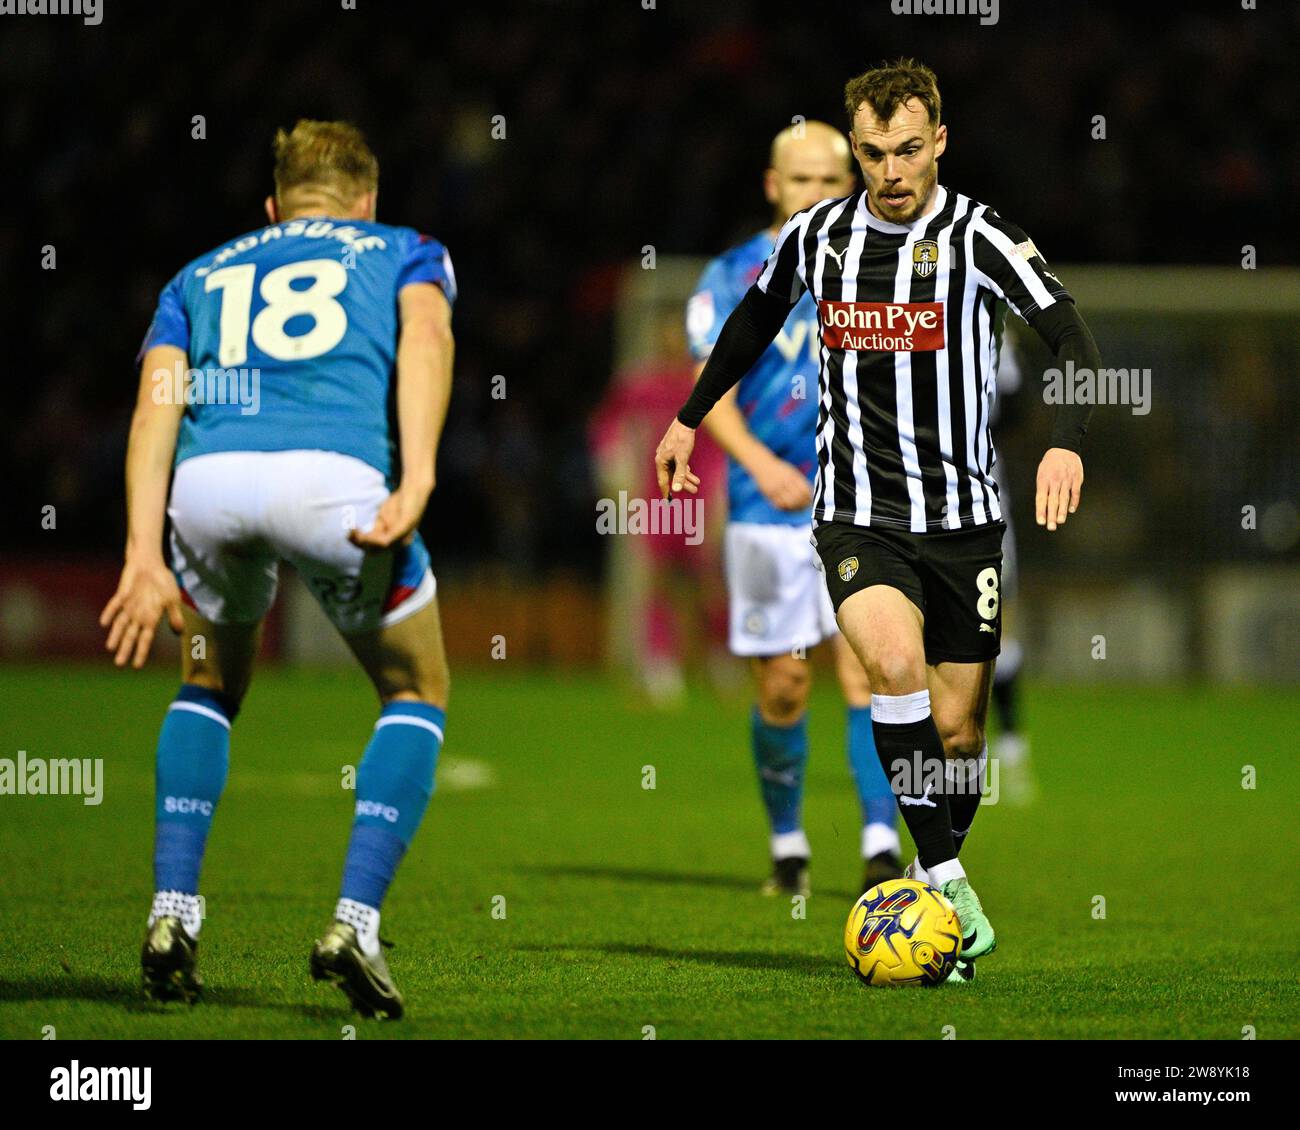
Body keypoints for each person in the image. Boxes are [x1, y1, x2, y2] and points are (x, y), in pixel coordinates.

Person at [655, 59, 1098, 980]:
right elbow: (748, 322)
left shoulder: (979, 237)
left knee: (961, 732)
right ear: (854, 150)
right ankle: (944, 880)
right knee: (889, 665)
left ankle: (930, 884)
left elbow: (1072, 335)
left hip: (966, 521)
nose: (890, 172)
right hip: (857, 513)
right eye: (872, 154)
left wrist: (1067, 441)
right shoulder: (818, 237)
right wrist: (687, 418)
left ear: (939, 142)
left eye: (907, 151)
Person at [99, 119, 456, 1019]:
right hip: (332, 482)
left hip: (210, 487)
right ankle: (354, 921)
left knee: (210, 685)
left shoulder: (201, 271)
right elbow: (426, 342)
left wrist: (144, 554)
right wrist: (416, 477)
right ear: (367, 200)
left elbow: (156, 405)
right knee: (417, 688)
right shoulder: (405, 249)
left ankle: (172, 910)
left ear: (272, 207)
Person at [684, 120, 900, 896]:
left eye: (830, 181)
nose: (816, 193)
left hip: (862, 500)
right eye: (801, 180)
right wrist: (760, 464)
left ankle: (880, 845)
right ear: (773, 186)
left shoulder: (879, 264)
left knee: (870, 670)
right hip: (765, 509)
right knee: (784, 686)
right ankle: (787, 846)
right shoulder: (731, 274)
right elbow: (713, 390)